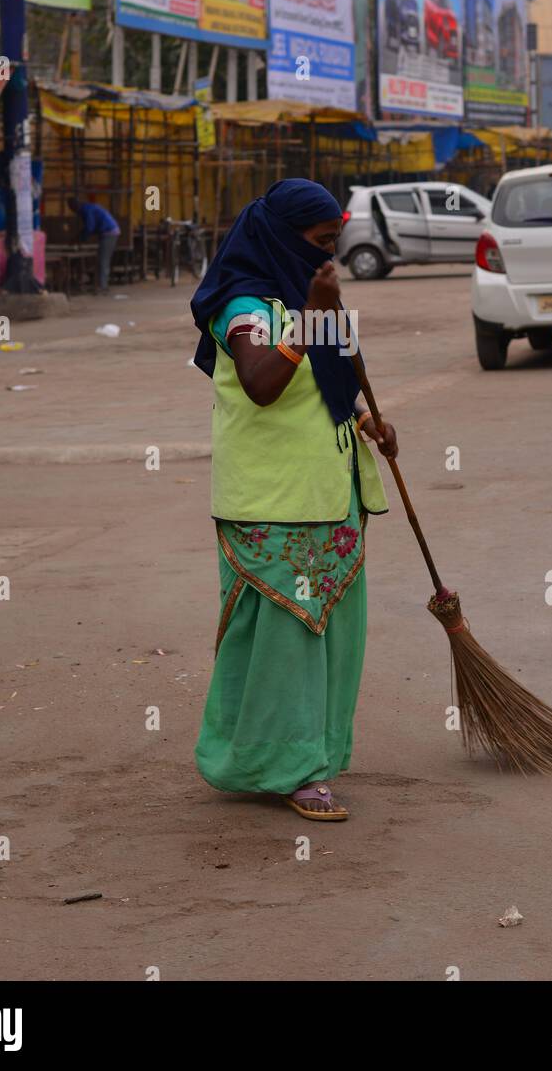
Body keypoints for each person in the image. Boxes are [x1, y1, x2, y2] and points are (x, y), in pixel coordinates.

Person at [190, 179, 398, 821]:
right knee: (284, 640)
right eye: (318, 244)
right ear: (281, 238)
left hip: (330, 495)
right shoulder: (243, 303)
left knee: (333, 635)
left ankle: (309, 757)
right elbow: (260, 383)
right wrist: (313, 312)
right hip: (272, 502)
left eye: (334, 244)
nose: (327, 259)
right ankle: (289, 770)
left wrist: (369, 417)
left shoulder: (309, 297)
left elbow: (337, 378)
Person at [67, 198, 120, 293]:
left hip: (109, 233)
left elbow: (89, 227)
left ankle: (102, 287)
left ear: (75, 206)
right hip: (108, 233)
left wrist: (80, 238)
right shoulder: (88, 208)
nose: (72, 211)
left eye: (72, 208)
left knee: (103, 260)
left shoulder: (86, 210)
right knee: (102, 260)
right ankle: (101, 285)